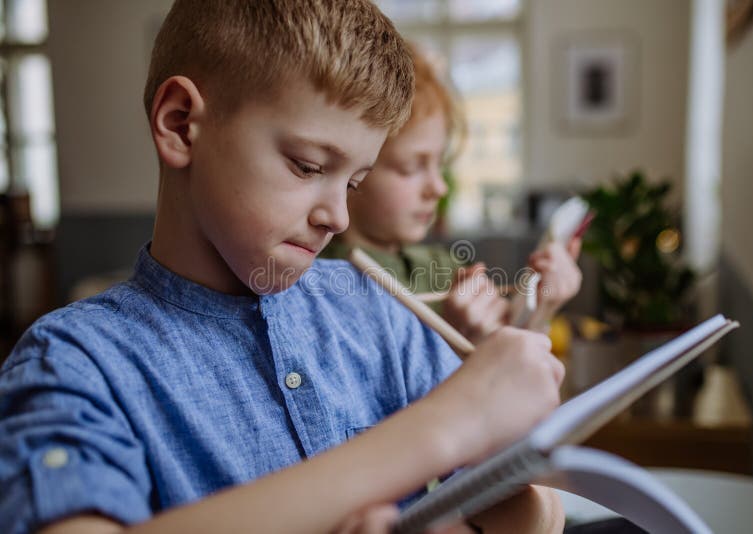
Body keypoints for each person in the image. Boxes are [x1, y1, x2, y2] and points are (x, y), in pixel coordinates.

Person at [0, 2, 566, 533]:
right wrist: (440, 428)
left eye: (354, 183)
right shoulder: (72, 362)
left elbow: (534, 506)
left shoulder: (380, 312)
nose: (338, 216)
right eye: (307, 166)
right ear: (179, 123)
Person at [322, 46, 582, 344]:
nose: (439, 187)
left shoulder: (445, 269)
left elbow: (515, 364)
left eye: (440, 164)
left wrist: (538, 309)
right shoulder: (322, 285)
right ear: (351, 168)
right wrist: (453, 344)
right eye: (411, 167)